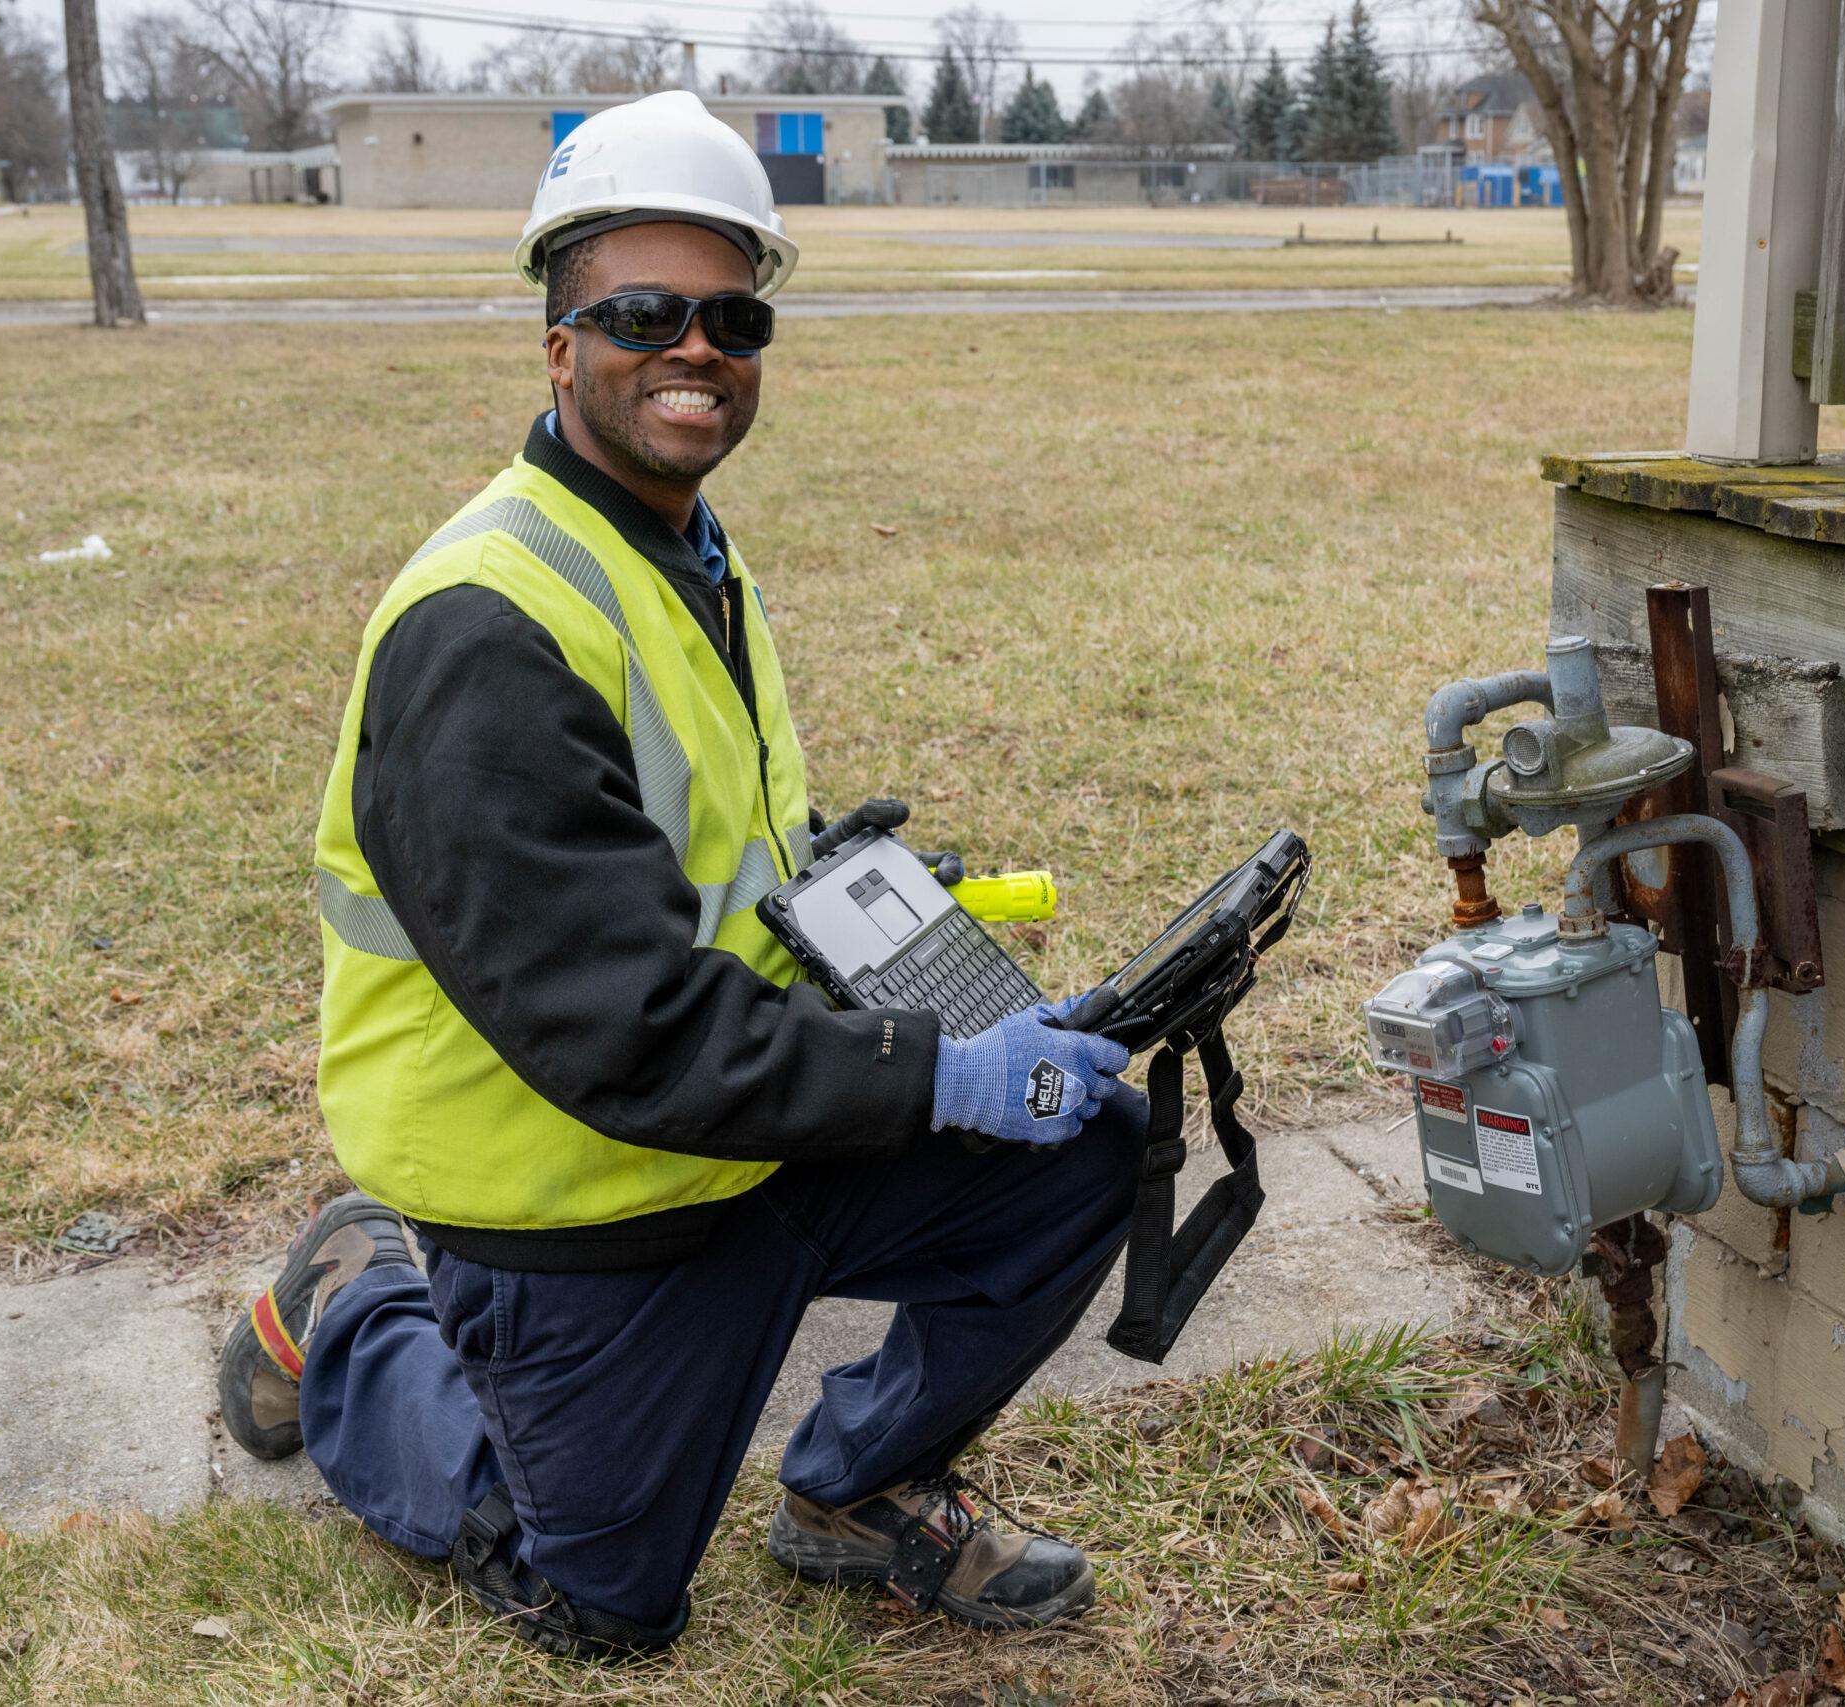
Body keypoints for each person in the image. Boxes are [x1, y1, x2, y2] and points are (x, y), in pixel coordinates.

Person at [214, 90, 1148, 1659]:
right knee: (599, 1600)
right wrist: (936, 1078)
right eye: (644, 311)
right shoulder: (487, 627)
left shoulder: (684, 554)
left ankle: (862, 1491)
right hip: (573, 1189)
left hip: (738, 1142)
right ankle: (360, 1304)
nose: (697, 348)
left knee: (1088, 1147)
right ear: (559, 342)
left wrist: (893, 927)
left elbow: (715, 874)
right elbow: (626, 1031)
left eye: (733, 315)